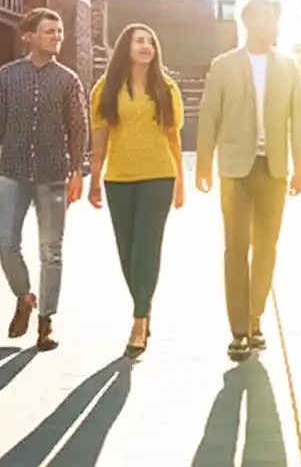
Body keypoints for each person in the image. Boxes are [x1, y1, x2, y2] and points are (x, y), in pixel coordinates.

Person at [196, 0, 301, 361]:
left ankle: (256, 316)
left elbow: (300, 117)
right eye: (262, 18)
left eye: (273, 18)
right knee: (235, 248)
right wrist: (203, 163)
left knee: (267, 247)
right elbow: (208, 115)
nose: (269, 24)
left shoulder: (289, 67)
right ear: (248, 22)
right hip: (234, 168)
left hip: (274, 168)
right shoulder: (223, 66)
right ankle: (239, 330)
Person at [0, 8, 88, 352]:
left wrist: (76, 170)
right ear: (28, 36)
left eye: (59, 32)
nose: (57, 37)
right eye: (49, 32)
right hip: (13, 172)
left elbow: (78, 128)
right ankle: (24, 297)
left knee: (51, 251)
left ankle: (46, 322)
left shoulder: (68, 80)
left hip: (53, 175)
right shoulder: (7, 76)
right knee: (6, 244)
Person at [88, 24, 186, 359]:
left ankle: (139, 320)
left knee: (147, 247)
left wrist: (181, 184)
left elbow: (174, 136)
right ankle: (143, 303)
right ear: (125, 48)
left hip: (159, 177)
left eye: (150, 42)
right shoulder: (105, 88)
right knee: (127, 252)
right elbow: (99, 135)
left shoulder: (166, 87)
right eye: (138, 41)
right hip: (119, 179)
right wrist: (94, 177)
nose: (146, 47)